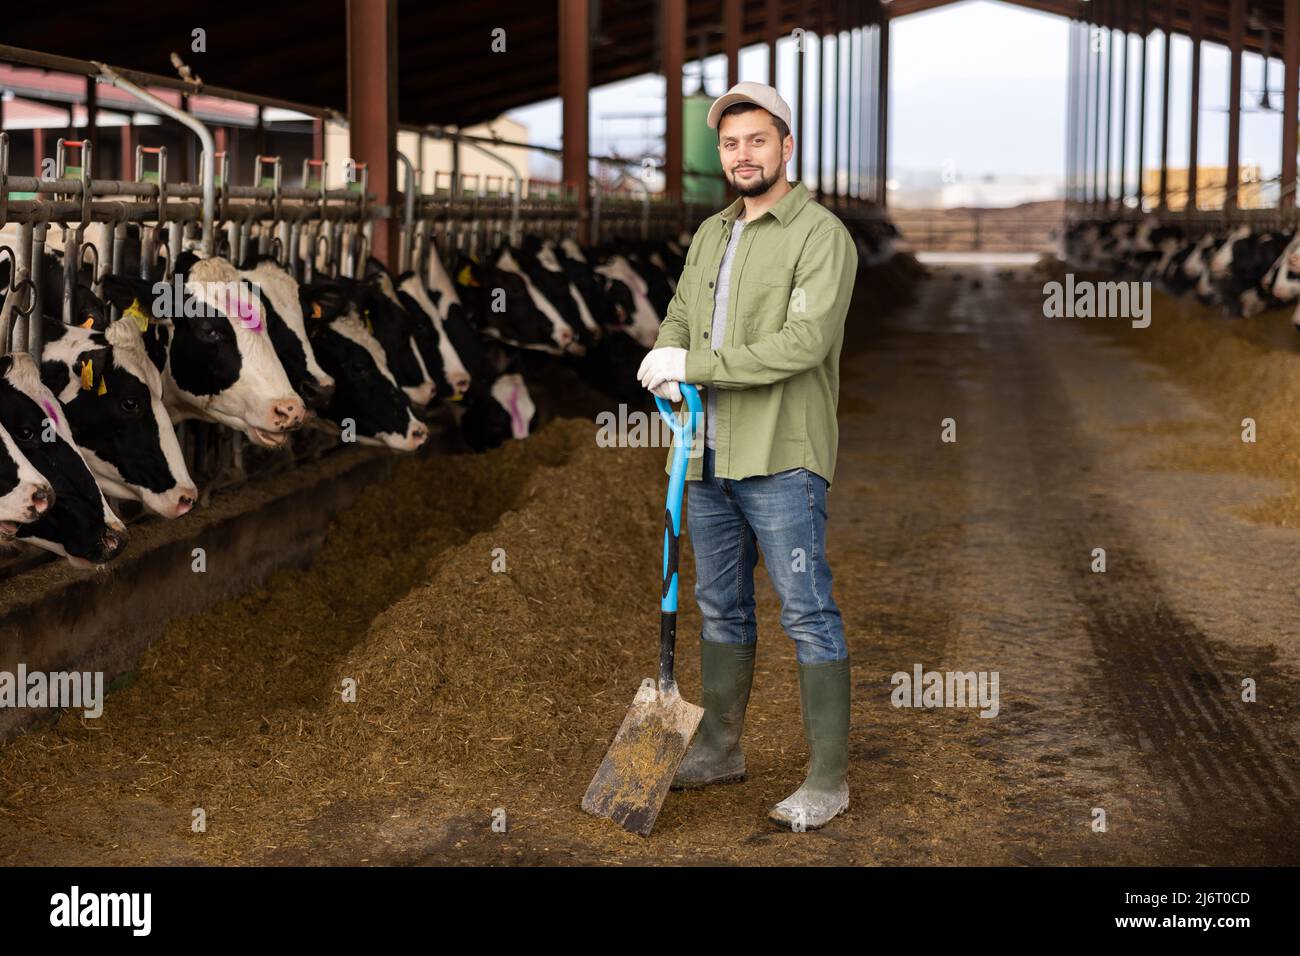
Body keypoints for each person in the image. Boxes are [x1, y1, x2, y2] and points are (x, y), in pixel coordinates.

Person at [636, 81, 858, 830]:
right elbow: (680, 313)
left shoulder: (820, 235)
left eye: (757, 140)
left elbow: (803, 345)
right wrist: (666, 352)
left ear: (786, 146)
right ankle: (721, 749)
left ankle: (828, 779)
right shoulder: (710, 234)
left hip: (782, 457)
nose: (742, 155)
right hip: (704, 456)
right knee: (718, 606)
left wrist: (694, 367)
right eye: (730, 144)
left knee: (807, 612)